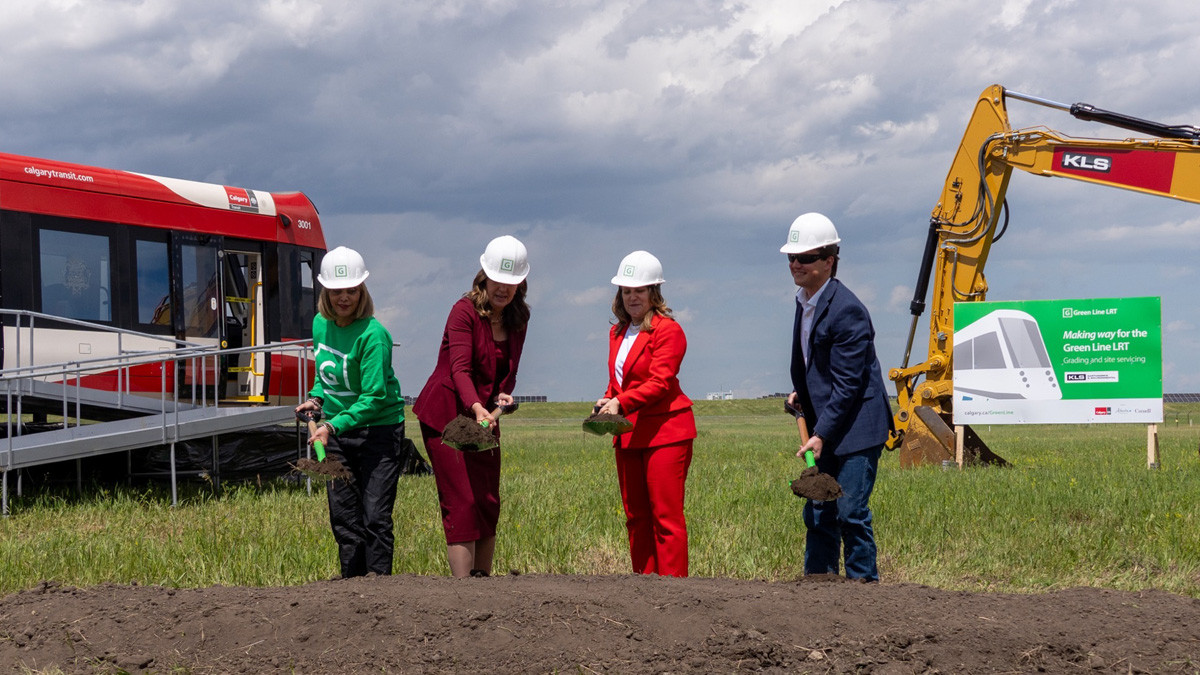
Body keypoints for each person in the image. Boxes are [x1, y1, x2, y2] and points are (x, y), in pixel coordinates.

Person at [782, 213, 893, 582]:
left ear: (829, 260)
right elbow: (818, 364)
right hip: (828, 421)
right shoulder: (805, 301)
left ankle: (863, 590)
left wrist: (820, 433)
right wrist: (804, 392)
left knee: (849, 512)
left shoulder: (846, 309)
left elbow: (849, 384)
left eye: (806, 258)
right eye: (791, 258)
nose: (796, 264)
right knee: (817, 510)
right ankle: (818, 587)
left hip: (858, 427)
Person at [413, 235, 530, 578]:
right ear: (484, 275)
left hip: (485, 418)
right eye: (498, 279)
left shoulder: (518, 317)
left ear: (520, 283)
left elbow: (509, 369)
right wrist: (476, 407)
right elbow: (459, 369)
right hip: (448, 413)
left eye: (511, 282)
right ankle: (464, 595)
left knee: (487, 500)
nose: (503, 289)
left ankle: (484, 585)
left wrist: (502, 397)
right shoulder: (463, 311)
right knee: (462, 501)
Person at [294, 246, 406, 578]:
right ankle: (351, 592)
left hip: (379, 433)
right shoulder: (320, 325)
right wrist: (315, 401)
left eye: (352, 290)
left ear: (362, 292)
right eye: (337, 291)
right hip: (337, 433)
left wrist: (331, 426)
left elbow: (373, 397)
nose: (345, 298)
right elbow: (324, 376)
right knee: (343, 516)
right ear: (325, 292)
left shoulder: (374, 336)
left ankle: (378, 590)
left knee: (374, 517)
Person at [595, 251, 696, 577]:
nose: (632, 297)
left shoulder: (669, 331)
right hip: (628, 434)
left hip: (665, 432)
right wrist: (607, 399)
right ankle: (643, 588)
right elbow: (619, 382)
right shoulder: (617, 333)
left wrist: (621, 403)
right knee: (635, 516)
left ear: (654, 292)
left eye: (639, 290)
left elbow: (660, 382)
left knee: (665, 518)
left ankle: (674, 591)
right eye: (626, 291)